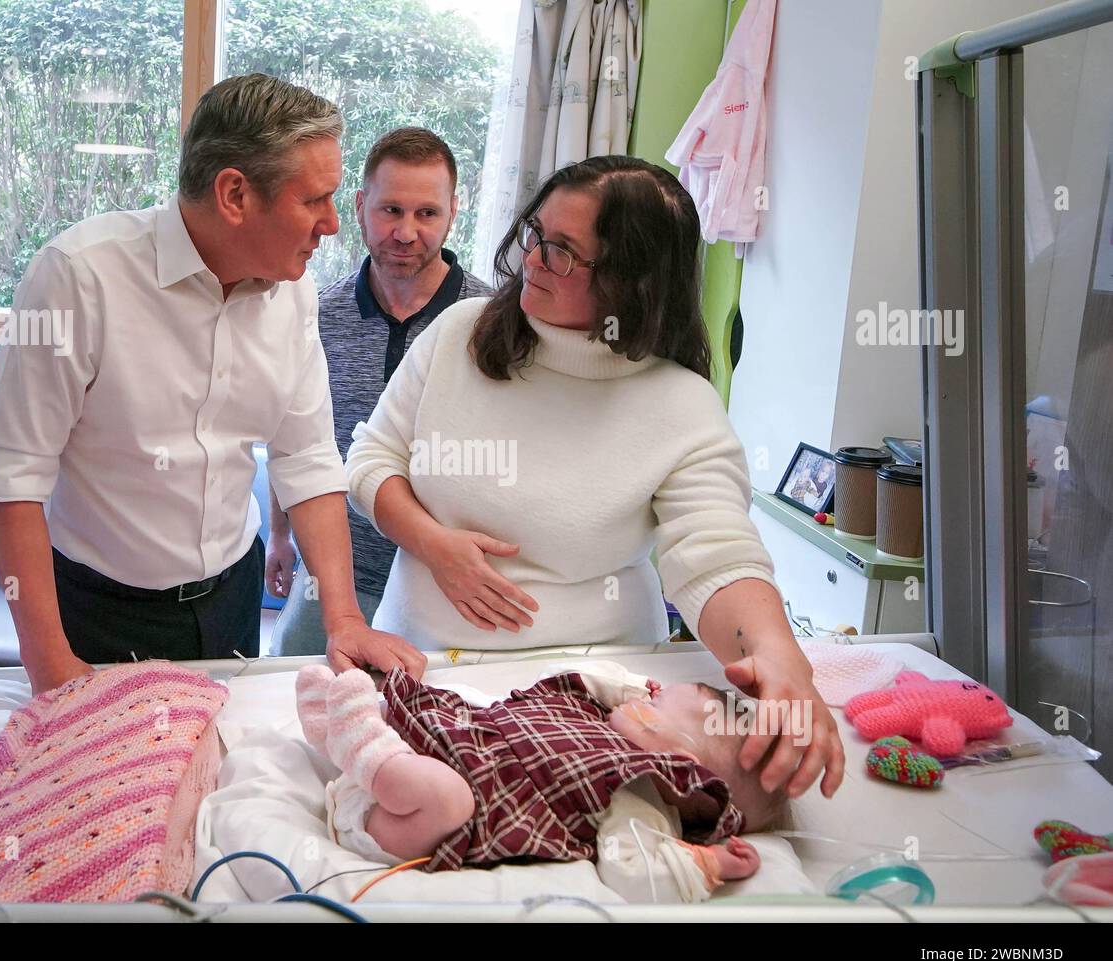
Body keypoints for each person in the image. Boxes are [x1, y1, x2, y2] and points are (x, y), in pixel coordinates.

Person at [345, 155, 843, 798]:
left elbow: (715, 554)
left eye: (561, 252)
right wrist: (431, 543)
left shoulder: (679, 403)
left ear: (630, 283)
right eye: (535, 236)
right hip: (428, 669)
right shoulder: (459, 335)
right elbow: (371, 461)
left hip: (602, 694)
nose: (531, 261)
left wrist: (778, 658)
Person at [0, 73, 425, 695]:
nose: (332, 225)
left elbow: (308, 458)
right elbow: (13, 477)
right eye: (314, 200)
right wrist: (49, 662)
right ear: (234, 194)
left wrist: (343, 617)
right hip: (99, 608)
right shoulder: (80, 277)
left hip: (230, 597)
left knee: (222, 776)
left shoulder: (292, 291)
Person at [267, 127, 491, 657]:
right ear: (362, 206)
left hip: (443, 586)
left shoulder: (493, 324)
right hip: (333, 578)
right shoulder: (316, 314)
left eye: (427, 214)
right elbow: (291, 439)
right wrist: (279, 536)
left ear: (453, 212)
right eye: (391, 210)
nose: (406, 232)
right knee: (284, 706)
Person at [296, 660, 776, 901]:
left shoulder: (636, 796)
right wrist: (629, 690)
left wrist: (708, 865)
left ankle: (360, 747)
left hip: (401, 825)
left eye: (657, 702)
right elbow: (580, 676)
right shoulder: (593, 715)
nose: (646, 692)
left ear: (676, 762)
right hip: (444, 750)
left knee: (448, 798)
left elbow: (634, 874)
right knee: (458, 701)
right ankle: (362, 731)